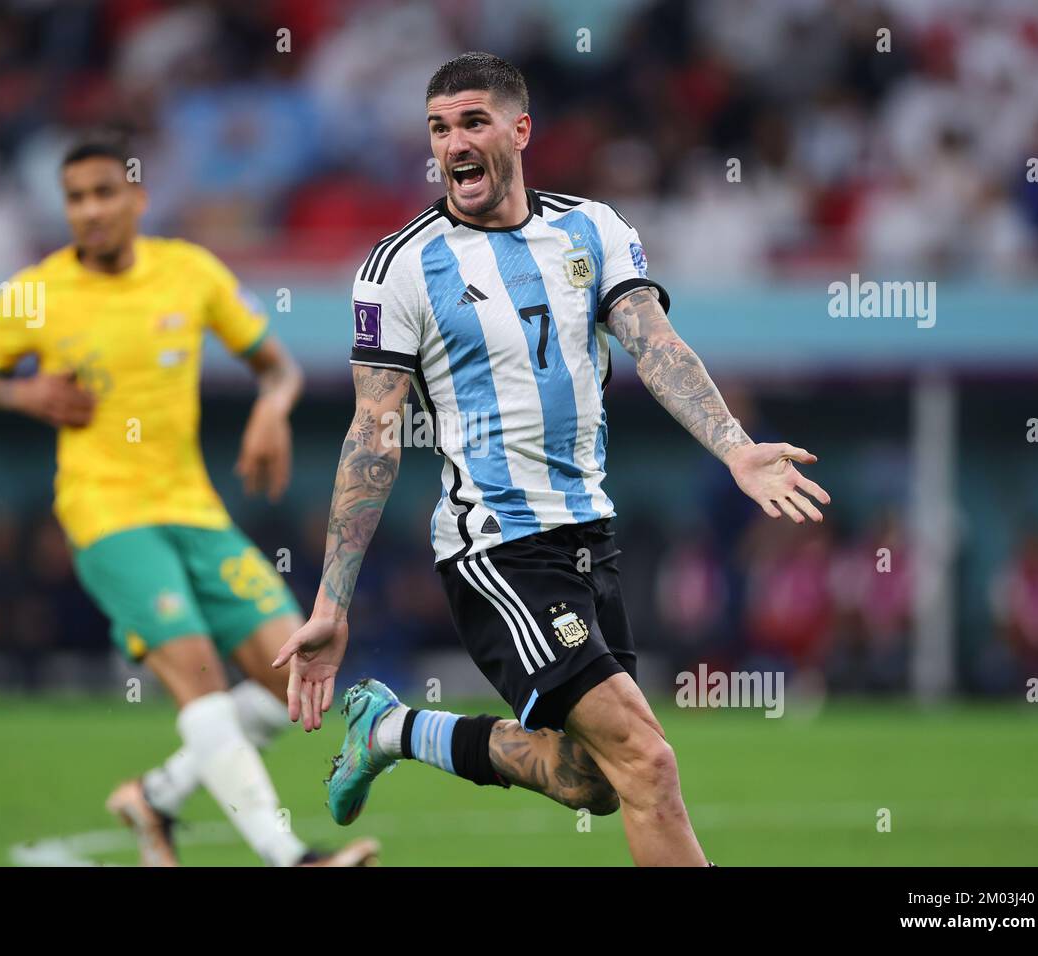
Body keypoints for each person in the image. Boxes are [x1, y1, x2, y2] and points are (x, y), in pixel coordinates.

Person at [273, 54, 831, 866]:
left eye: (472, 122)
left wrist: (737, 451)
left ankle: (394, 728)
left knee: (593, 779)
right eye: (438, 128)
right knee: (648, 760)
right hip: (497, 546)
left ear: (520, 129)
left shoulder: (591, 228)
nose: (452, 143)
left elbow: (655, 343)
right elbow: (373, 435)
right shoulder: (398, 267)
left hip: (589, 537)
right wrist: (332, 602)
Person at [0, 135, 377, 867]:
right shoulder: (38, 291)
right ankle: (290, 857)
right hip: (107, 513)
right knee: (202, 680)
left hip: (196, 511)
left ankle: (156, 797)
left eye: (104, 193)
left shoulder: (189, 272)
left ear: (137, 198)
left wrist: (272, 408)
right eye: (76, 198)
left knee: (297, 678)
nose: (90, 210)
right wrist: (21, 390)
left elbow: (279, 370)